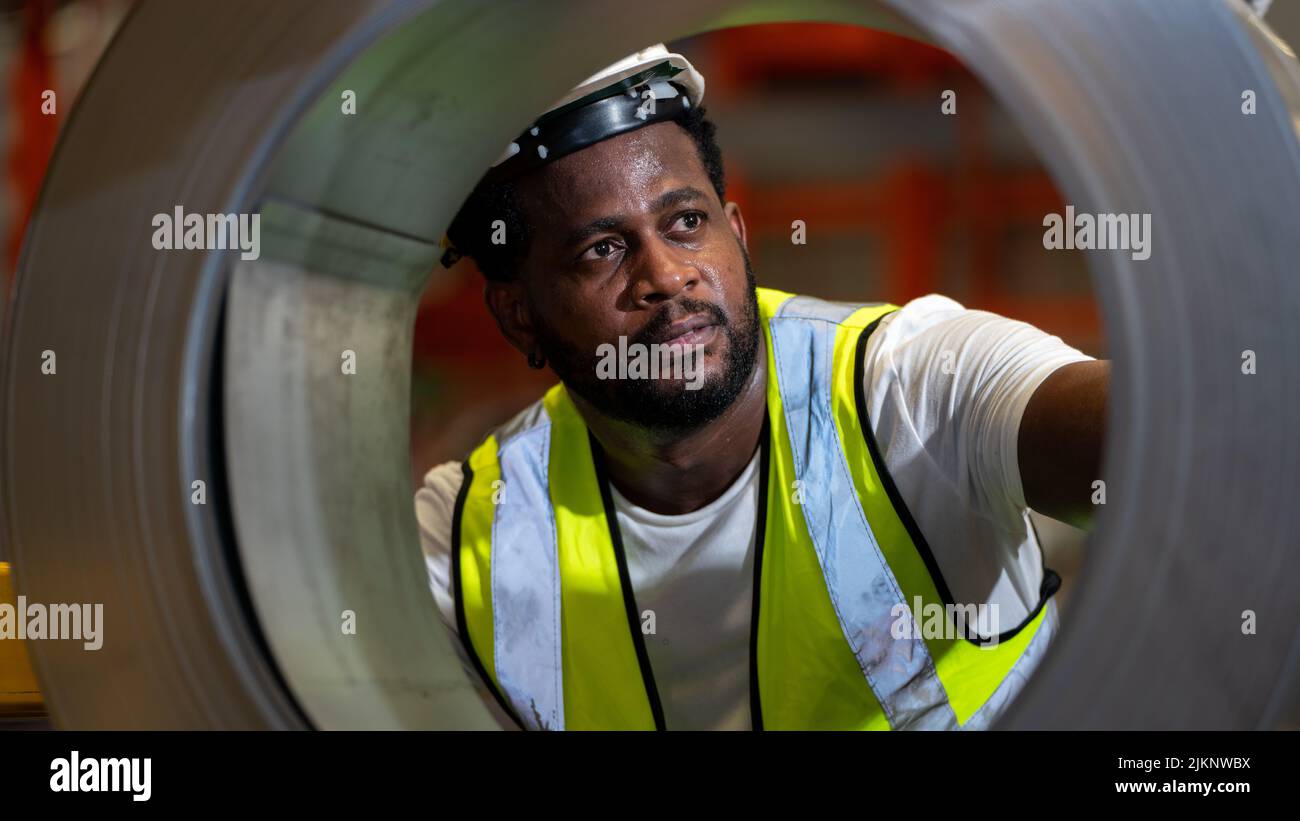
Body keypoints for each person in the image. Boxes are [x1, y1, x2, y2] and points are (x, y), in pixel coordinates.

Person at [415, 44, 1109, 730]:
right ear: (518, 315)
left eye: (686, 222)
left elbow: (1164, 440)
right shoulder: (472, 534)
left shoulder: (913, 385)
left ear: (738, 235)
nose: (666, 274)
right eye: (601, 249)